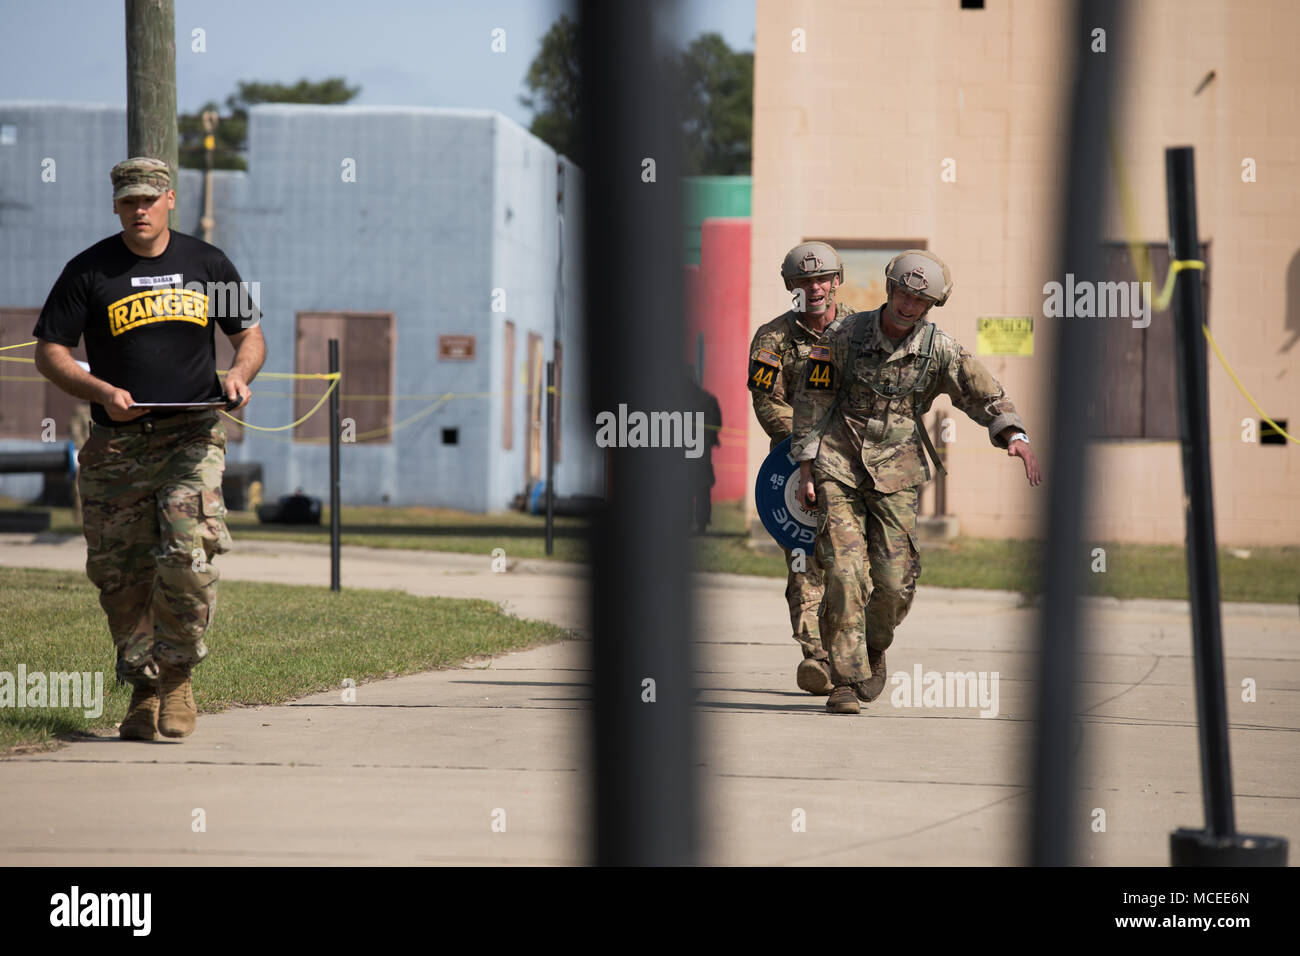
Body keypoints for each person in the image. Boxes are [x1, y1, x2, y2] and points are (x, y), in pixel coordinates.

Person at [32, 157, 266, 740]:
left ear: (169, 200)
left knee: (187, 556)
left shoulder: (207, 263)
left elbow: (250, 337)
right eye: (128, 201)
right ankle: (143, 688)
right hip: (116, 446)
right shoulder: (87, 270)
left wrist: (239, 376)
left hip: (192, 437)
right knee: (121, 575)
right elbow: (50, 352)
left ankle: (180, 676)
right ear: (115, 205)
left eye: (148, 199)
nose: (139, 210)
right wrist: (102, 391)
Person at [791, 249, 1041, 715]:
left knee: (895, 582)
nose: (909, 304)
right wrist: (806, 467)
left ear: (931, 305)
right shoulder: (843, 336)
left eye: (919, 299)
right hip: (839, 465)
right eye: (904, 293)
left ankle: (873, 645)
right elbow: (811, 398)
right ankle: (845, 681)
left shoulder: (938, 348)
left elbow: (982, 391)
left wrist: (1014, 434)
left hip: (897, 473)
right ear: (889, 289)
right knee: (844, 571)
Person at [748, 241, 856, 695]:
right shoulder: (771, 338)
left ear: (836, 281)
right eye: (804, 281)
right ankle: (818, 659)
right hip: (795, 473)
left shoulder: (860, 332)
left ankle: (856, 653)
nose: (814, 288)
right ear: (792, 286)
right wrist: (808, 439)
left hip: (853, 468)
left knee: (853, 566)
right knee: (803, 564)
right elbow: (764, 399)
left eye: (822, 279)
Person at [686, 367, 722, 534]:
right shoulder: (708, 399)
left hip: (694, 453)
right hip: (699, 452)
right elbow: (716, 426)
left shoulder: (707, 400)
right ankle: (699, 524)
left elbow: (715, 425)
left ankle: (696, 523)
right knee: (701, 489)